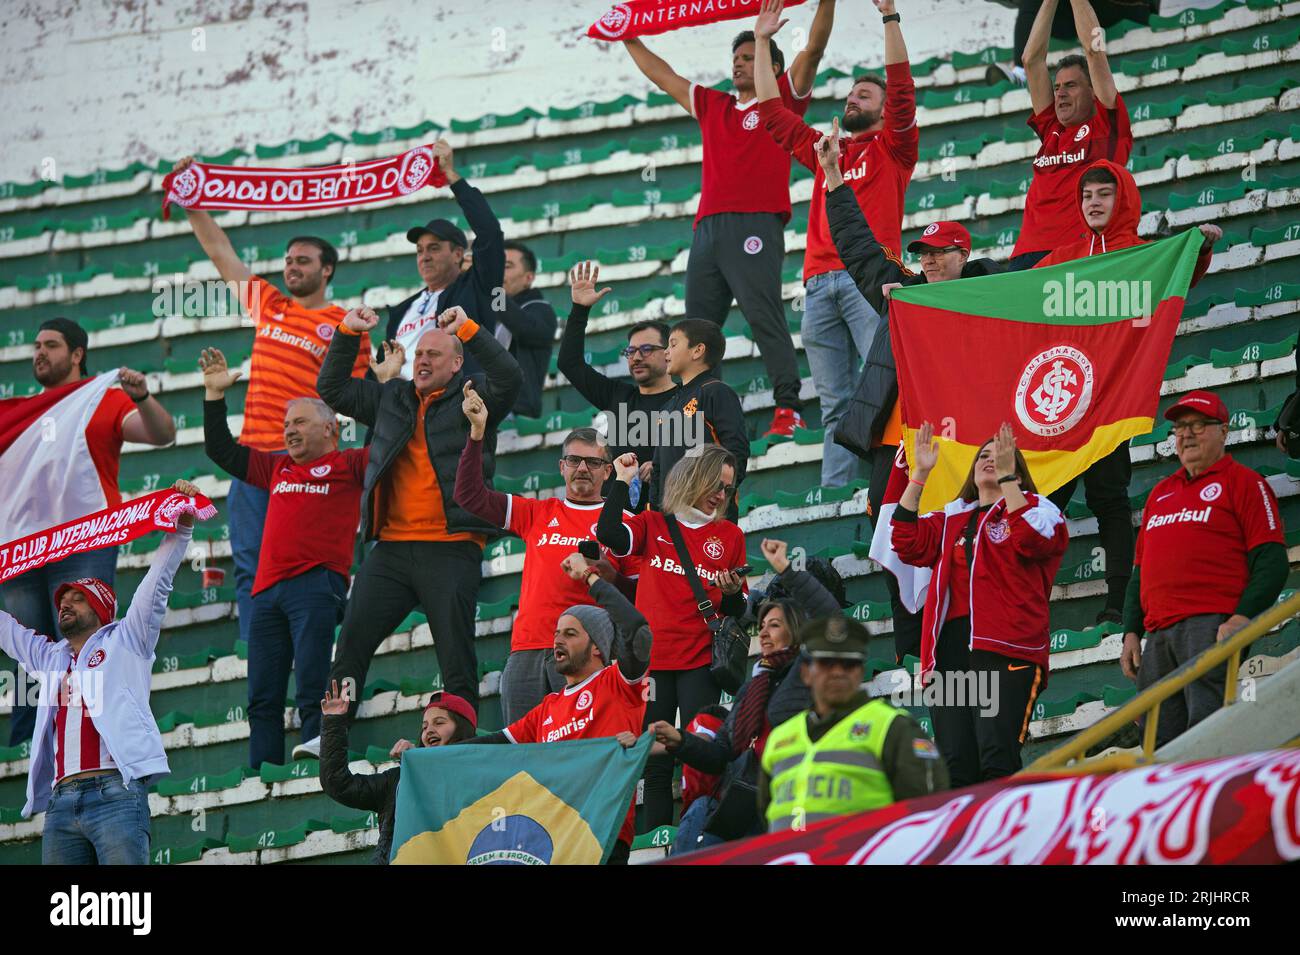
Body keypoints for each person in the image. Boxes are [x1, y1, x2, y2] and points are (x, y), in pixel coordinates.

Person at [173, 155, 371, 673]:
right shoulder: (271, 305)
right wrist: (194, 200)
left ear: (326, 269)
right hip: (254, 458)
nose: (292, 267)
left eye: (303, 260)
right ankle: (257, 651)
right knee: (248, 563)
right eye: (288, 260)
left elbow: (354, 399)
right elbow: (223, 254)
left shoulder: (344, 324)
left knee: (309, 567)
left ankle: (314, 649)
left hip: (306, 466)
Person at [816, 125, 1004, 663]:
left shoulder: (987, 296)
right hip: (897, 444)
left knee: (964, 534)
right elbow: (856, 249)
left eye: (941, 253)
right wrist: (833, 176)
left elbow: (1045, 272)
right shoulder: (905, 295)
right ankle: (906, 651)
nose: (929, 260)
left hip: (962, 441)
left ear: (964, 256)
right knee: (896, 538)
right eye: (923, 253)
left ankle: (969, 638)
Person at [621, 0, 839, 438]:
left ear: (772, 65)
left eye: (748, 58)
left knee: (764, 316)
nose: (739, 65)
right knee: (695, 332)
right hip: (707, 228)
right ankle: (706, 417)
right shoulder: (715, 105)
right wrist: (627, 35)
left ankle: (787, 407)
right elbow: (662, 75)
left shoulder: (782, 101)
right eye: (735, 60)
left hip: (755, 223)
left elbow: (813, 49)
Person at [1033, 159, 1219, 622]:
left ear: (1123, 201)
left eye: (1104, 195)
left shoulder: (1140, 254)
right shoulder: (1062, 258)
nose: (1093, 204)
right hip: (1064, 404)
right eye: (1086, 196)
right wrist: (927, 292)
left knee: (1109, 501)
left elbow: (1180, 271)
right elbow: (1010, 290)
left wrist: (1199, 249)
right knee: (1042, 504)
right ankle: (1029, 605)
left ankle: (1119, 606)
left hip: (1111, 404)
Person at [315, 304, 521, 720]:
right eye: (420, 354)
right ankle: (333, 731)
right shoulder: (392, 396)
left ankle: (459, 740)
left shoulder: (473, 395)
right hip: (390, 550)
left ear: (458, 364)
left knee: (455, 655)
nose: (423, 360)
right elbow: (332, 388)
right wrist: (346, 332)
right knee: (350, 642)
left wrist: (468, 326)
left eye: (435, 355)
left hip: (451, 546)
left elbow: (510, 377)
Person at [754, 0, 917, 486]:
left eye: (864, 95)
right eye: (849, 94)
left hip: (869, 281)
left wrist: (890, 18)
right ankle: (836, 496)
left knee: (887, 389)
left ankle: (889, 489)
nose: (852, 100)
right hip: (818, 285)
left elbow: (903, 87)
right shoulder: (829, 149)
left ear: (885, 110)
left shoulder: (894, 147)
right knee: (834, 406)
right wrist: (763, 41)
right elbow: (770, 113)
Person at [0, 480, 205, 863]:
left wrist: (181, 529)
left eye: (79, 599)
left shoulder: (128, 639)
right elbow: (6, 630)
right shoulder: (50, 657)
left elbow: (156, 584)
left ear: (102, 611)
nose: (65, 605)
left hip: (116, 792)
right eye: (63, 600)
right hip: (60, 804)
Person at [1, 318, 176, 746]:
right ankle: (28, 747)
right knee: (27, 657)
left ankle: (97, 735)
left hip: (84, 541)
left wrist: (143, 399)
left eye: (51, 345)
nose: (39, 352)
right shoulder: (15, 414)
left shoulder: (103, 400)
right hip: (20, 550)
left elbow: (163, 434)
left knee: (84, 643)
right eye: (37, 345)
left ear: (77, 354)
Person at [200, 347, 367, 767]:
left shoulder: (349, 465)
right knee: (262, 695)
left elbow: (390, 440)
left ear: (330, 428)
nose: (289, 431)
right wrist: (214, 396)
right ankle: (264, 773)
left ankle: (318, 762)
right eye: (286, 424)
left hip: (316, 584)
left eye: (300, 423)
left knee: (312, 681)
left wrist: (384, 380)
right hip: (267, 592)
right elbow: (221, 450)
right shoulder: (276, 469)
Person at [891, 423, 1069, 785]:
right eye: (982, 456)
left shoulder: (1038, 508)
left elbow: (1033, 541)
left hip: (1005, 653)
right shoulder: (951, 517)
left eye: (999, 457)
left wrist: (1008, 483)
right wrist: (920, 475)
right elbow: (905, 540)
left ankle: (1005, 837)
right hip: (949, 657)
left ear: (1016, 470)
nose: (989, 460)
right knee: (956, 768)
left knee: (996, 759)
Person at [456, 552, 655, 865]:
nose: (557, 640)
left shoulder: (619, 684)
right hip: (552, 841)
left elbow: (637, 629)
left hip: (601, 835)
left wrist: (590, 578)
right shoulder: (547, 707)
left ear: (598, 648)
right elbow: (489, 746)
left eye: (571, 633)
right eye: (557, 633)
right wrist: (424, 756)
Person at [653, 537, 843, 853]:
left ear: (796, 631)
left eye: (775, 625)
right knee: (700, 811)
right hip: (744, 799)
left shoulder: (810, 672)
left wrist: (785, 568)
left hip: (791, 799)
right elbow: (720, 754)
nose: (764, 633)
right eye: (763, 625)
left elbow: (833, 621)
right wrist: (678, 740)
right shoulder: (754, 684)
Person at [1120, 391, 1287, 747]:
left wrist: (1243, 617)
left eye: (1198, 425)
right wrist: (1131, 631)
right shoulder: (1159, 494)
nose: (1186, 434)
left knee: (1206, 734)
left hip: (1211, 625)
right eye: (1180, 427)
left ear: (1223, 431)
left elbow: (1271, 561)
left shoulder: (1245, 482)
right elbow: (1139, 571)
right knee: (1158, 742)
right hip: (1158, 634)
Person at [597, 445, 747, 830]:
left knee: (698, 756)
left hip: (700, 661)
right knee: (655, 761)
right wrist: (621, 480)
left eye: (727, 489)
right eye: (716, 483)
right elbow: (609, 533)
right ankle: (656, 843)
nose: (720, 495)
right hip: (653, 664)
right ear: (694, 476)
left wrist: (731, 594)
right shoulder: (653, 523)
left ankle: (695, 836)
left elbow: (738, 610)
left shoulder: (730, 535)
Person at [455, 404, 631, 723]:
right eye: (574, 460)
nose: (582, 468)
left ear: (608, 471)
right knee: (524, 761)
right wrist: (477, 433)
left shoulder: (626, 523)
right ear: (561, 466)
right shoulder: (538, 512)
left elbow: (640, 594)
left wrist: (605, 573)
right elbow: (468, 496)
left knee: (577, 755)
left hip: (586, 654)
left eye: (593, 462)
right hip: (527, 649)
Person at [758, 617, 948, 832]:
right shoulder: (779, 738)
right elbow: (767, 814)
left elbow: (928, 815)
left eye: (849, 664)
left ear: (860, 671)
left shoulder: (894, 727)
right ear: (805, 673)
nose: (838, 672)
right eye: (827, 663)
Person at [1009, 0, 1132, 270]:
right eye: (1058, 87)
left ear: (1093, 92)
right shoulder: (1051, 127)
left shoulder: (1106, 126)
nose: (1060, 93)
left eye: (1071, 85)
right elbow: (1031, 61)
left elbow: (1094, 50)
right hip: (1025, 255)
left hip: (1072, 252)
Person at [556, 262, 678, 508]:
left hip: (663, 519)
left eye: (646, 349)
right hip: (615, 522)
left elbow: (703, 459)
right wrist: (580, 309)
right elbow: (570, 363)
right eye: (630, 351)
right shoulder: (618, 395)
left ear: (669, 353)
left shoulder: (689, 400)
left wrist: (666, 469)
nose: (636, 357)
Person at [319, 682, 477, 864]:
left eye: (439, 723)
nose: (429, 731)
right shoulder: (396, 780)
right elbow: (338, 784)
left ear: (462, 731)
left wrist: (420, 765)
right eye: (424, 727)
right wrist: (333, 722)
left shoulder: (476, 780)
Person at [387, 141, 504, 378]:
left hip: (453, 404)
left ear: (458, 254)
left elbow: (490, 233)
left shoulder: (477, 289)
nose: (425, 256)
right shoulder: (401, 310)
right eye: (419, 250)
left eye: (434, 248)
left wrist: (452, 177)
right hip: (403, 407)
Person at [649, 319, 749, 512]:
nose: (666, 351)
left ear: (697, 350)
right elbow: (658, 467)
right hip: (670, 517)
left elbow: (736, 452)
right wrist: (655, 512)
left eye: (673, 344)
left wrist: (717, 496)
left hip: (709, 515)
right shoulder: (667, 406)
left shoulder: (716, 392)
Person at [497, 240, 558, 419]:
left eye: (507, 266)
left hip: (515, 412)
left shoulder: (541, 309)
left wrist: (495, 292)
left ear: (528, 278)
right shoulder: (490, 307)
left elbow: (524, 329)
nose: (498, 271)